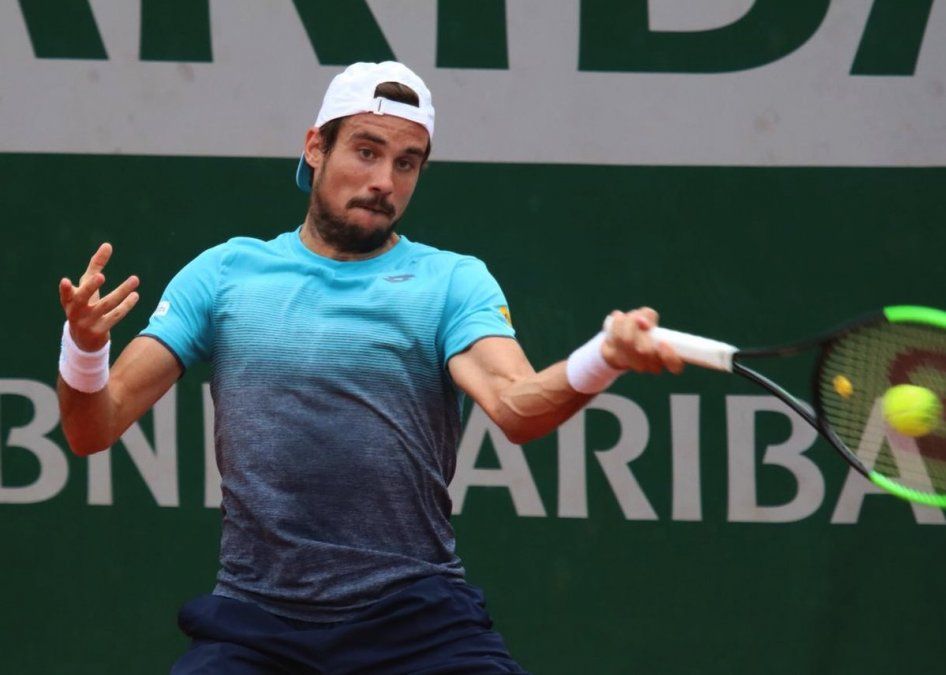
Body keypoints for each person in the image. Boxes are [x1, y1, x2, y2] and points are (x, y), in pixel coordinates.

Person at [57, 61, 683, 674]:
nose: (385, 179)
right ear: (314, 148)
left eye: (406, 163)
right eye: (366, 151)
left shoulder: (451, 282)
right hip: (255, 625)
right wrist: (84, 349)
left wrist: (604, 358)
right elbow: (93, 428)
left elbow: (516, 407)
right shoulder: (225, 274)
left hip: (418, 624)